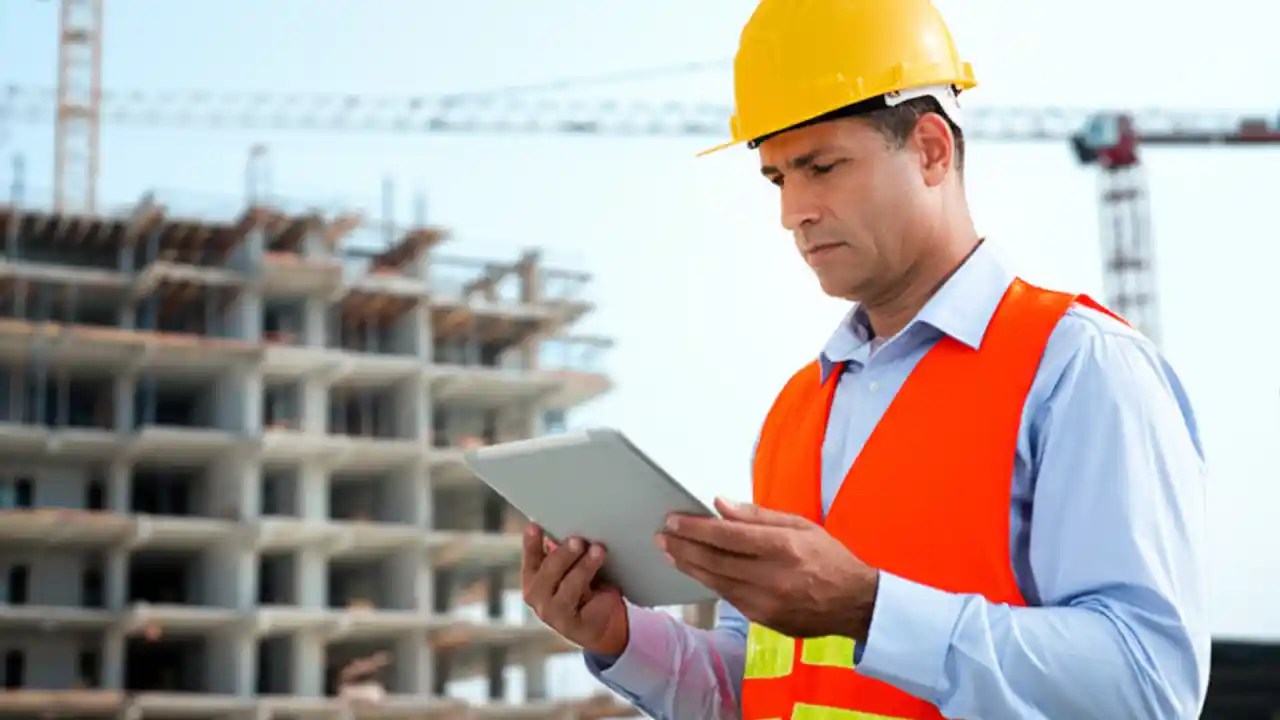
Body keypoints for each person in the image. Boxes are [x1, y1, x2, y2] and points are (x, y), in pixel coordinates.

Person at [519, 0, 1211, 717]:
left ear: (932, 150)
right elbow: (768, 689)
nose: (794, 212)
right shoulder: (797, 411)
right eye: (779, 178)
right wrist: (623, 638)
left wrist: (869, 609)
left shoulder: (1079, 370)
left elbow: (1146, 684)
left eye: (821, 167)